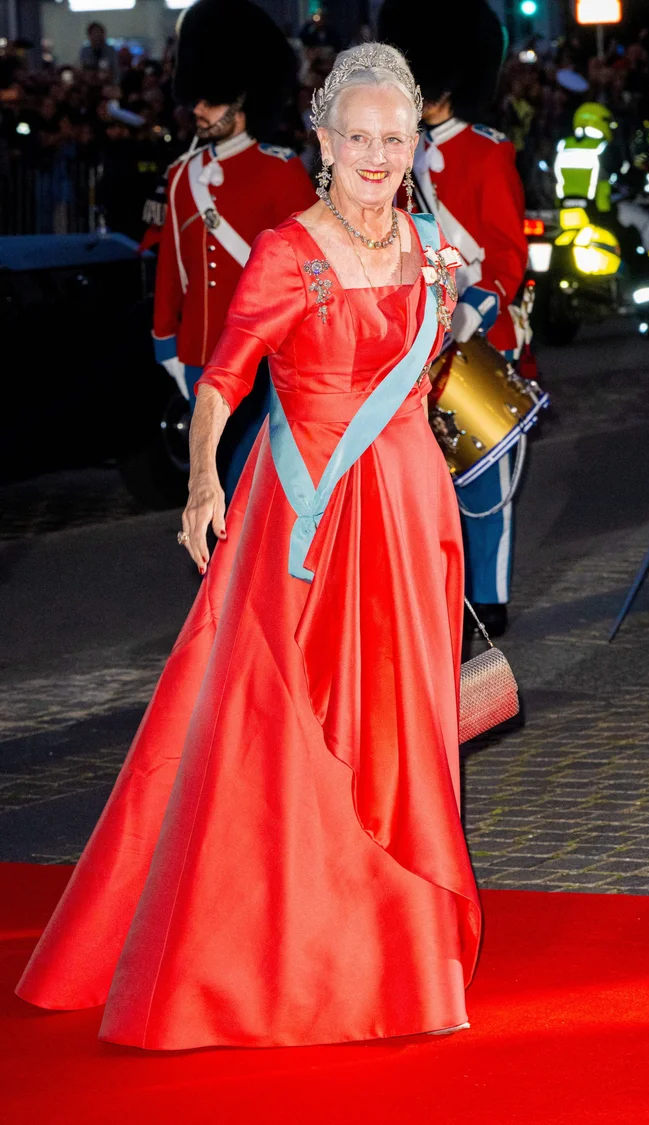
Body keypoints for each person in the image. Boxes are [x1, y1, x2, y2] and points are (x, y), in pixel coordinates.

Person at [16, 42, 481, 1050]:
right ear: (322, 139)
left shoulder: (421, 246)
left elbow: (421, 380)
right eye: (357, 136)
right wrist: (198, 477)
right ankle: (276, 946)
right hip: (307, 511)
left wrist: (447, 325)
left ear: (414, 148)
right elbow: (225, 378)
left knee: (398, 720)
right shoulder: (286, 249)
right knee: (284, 721)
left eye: (393, 138)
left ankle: (399, 953)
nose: (375, 152)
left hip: (407, 519)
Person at [379, 0, 528, 638]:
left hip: (473, 337)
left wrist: (475, 307)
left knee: (482, 480)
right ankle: (436, 596)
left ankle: (487, 598)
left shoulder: (487, 153)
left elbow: (507, 252)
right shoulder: (390, 154)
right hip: (409, 338)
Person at [153, 0, 315, 497]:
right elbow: (171, 267)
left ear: (242, 99)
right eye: (195, 98)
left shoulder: (280, 170)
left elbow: (308, 269)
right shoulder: (182, 175)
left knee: (249, 493)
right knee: (209, 492)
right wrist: (166, 344)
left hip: (262, 360)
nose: (196, 110)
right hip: (200, 357)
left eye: (211, 99)